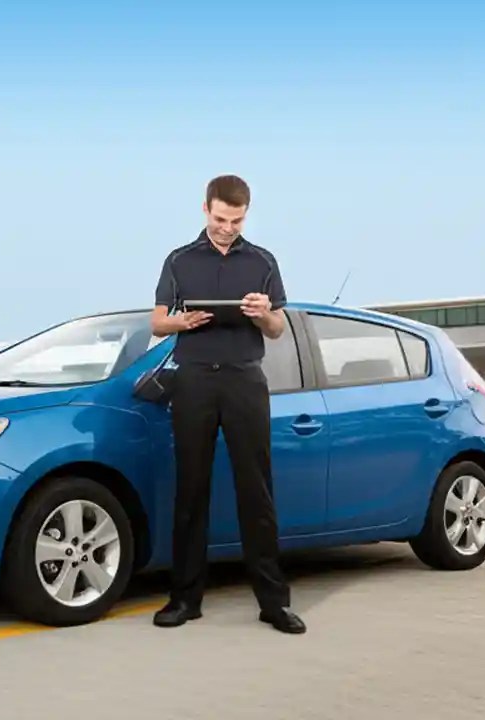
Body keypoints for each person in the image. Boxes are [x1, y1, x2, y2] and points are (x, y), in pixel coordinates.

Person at [148, 174, 306, 634]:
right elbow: (157, 322)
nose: (227, 228)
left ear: (246, 215)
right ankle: (184, 599)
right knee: (191, 490)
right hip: (194, 380)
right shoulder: (178, 260)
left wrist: (264, 314)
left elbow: (277, 329)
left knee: (256, 491)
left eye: (236, 220)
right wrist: (183, 321)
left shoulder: (262, 261)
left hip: (244, 380)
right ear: (205, 210)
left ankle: (274, 603)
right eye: (220, 219)